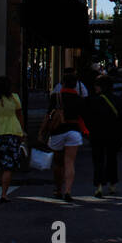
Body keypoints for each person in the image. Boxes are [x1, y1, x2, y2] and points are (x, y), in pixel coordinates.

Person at [84, 76, 122, 198]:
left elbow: (88, 118)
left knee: (98, 160)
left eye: (97, 85)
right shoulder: (118, 100)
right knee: (112, 159)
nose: (95, 88)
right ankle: (112, 184)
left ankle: (99, 186)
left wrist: (89, 132)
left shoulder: (93, 101)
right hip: (114, 134)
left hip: (97, 134)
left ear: (101, 87)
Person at [45, 72, 86, 202]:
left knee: (58, 163)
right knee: (69, 162)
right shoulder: (79, 99)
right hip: (74, 131)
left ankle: (58, 189)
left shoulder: (55, 97)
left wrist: (43, 130)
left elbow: (48, 115)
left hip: (58, 131)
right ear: (75, 85)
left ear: (62, 83)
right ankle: (68, 190)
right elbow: (83, 116)